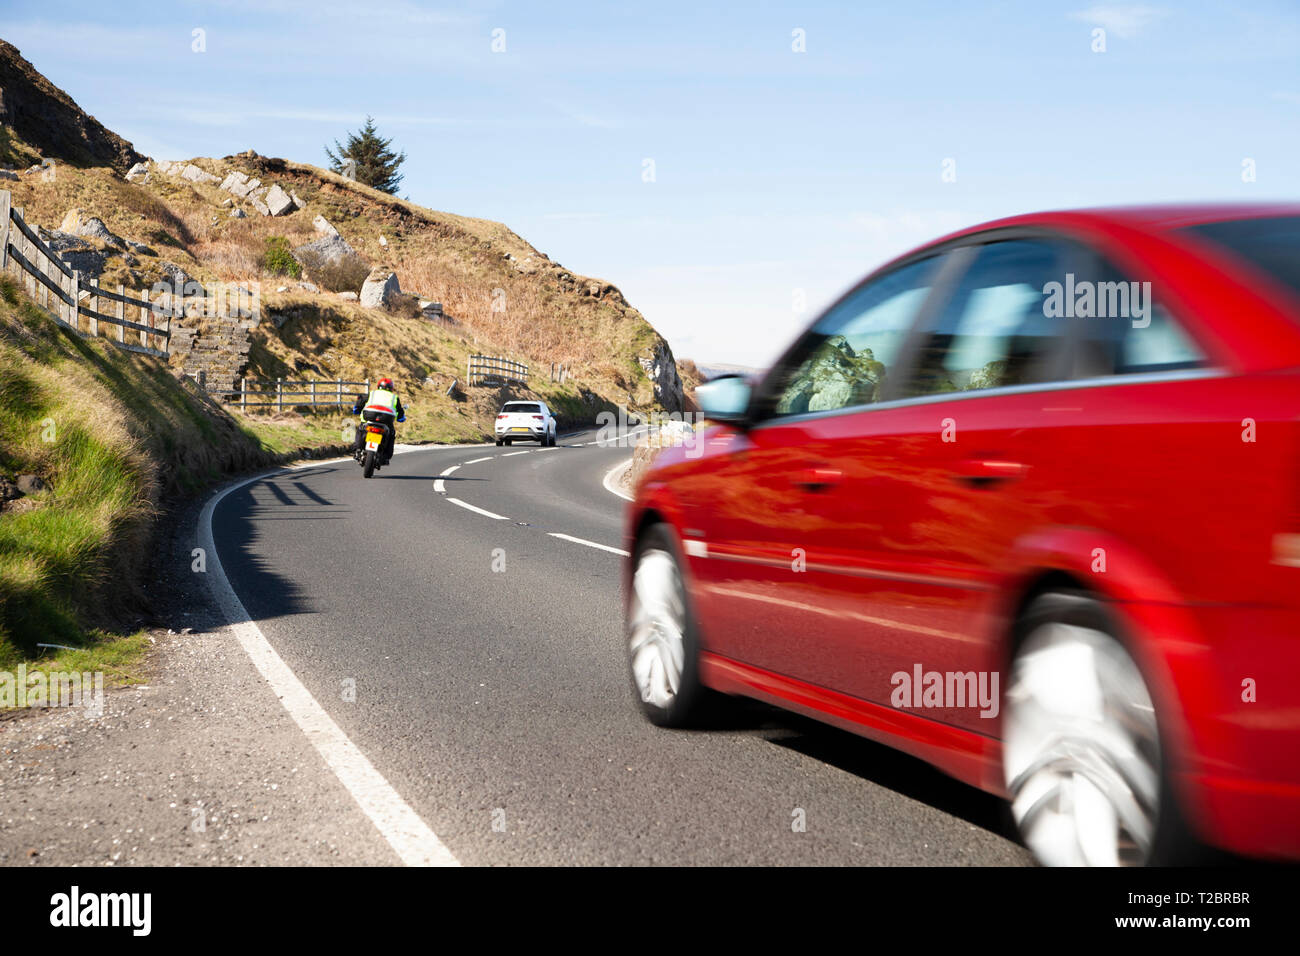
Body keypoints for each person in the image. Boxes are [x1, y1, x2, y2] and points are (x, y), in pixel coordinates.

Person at [352, 377, 406, 463]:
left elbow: (361, 401)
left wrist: (356, 409)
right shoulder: (394, 397)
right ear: (391, 388)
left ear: (378, 386)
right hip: (386, 418)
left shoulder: (372, 393)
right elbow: (400, 411)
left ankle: (357, 449)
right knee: (391, 434)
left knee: (361, 429)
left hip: (370, 415)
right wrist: (401, 418)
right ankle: (386, 455)